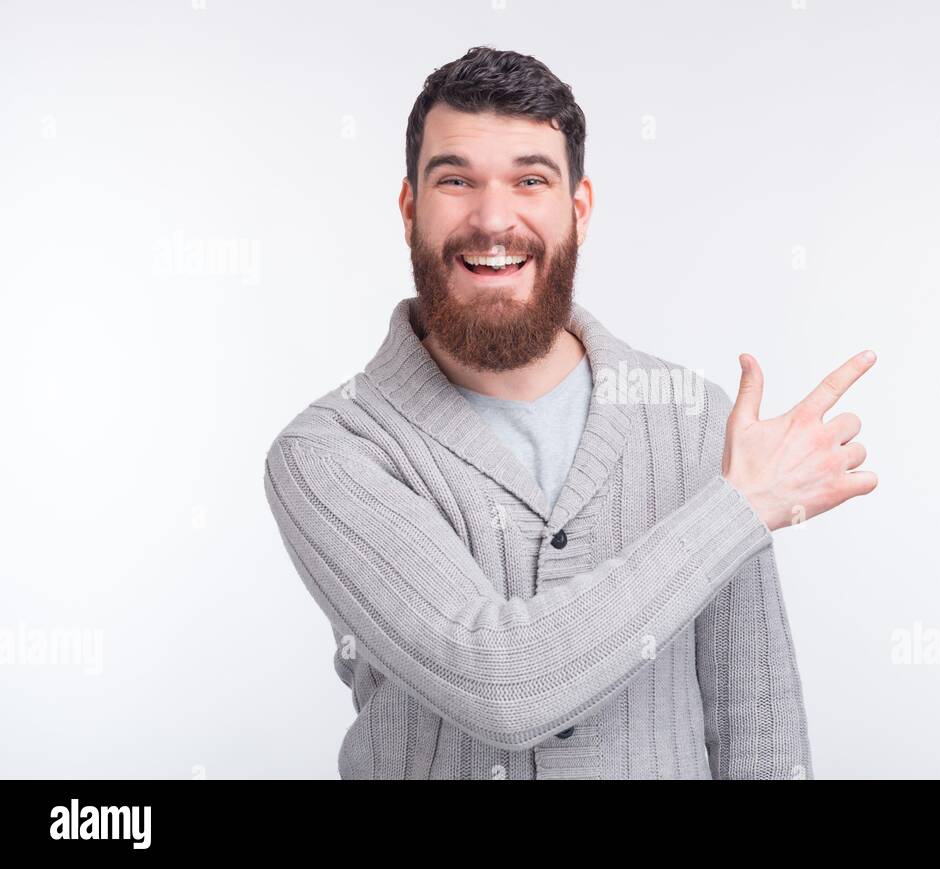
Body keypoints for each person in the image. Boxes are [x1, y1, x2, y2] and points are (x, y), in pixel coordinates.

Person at [262, 46, 878, 779]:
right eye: (455, 180)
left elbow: (757, 725)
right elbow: (498, 682)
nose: (494, 220)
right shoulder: (331, 450)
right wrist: (737, 511)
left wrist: (736, 503)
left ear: (578, 209)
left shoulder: (693, 419)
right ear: (409, 209)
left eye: (531, 179)